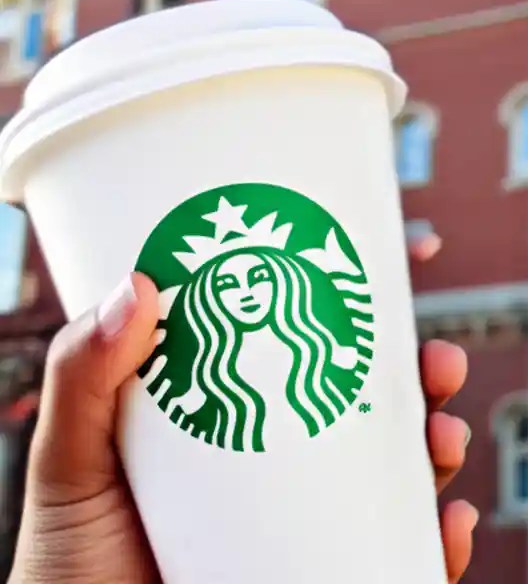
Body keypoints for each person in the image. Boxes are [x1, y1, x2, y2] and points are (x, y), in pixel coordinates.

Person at [7, 236, 476, 583]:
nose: (247, 291)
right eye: (229, 283)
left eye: (260, 277)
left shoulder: (316, 364)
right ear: (210, 299)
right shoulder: (213, 383)